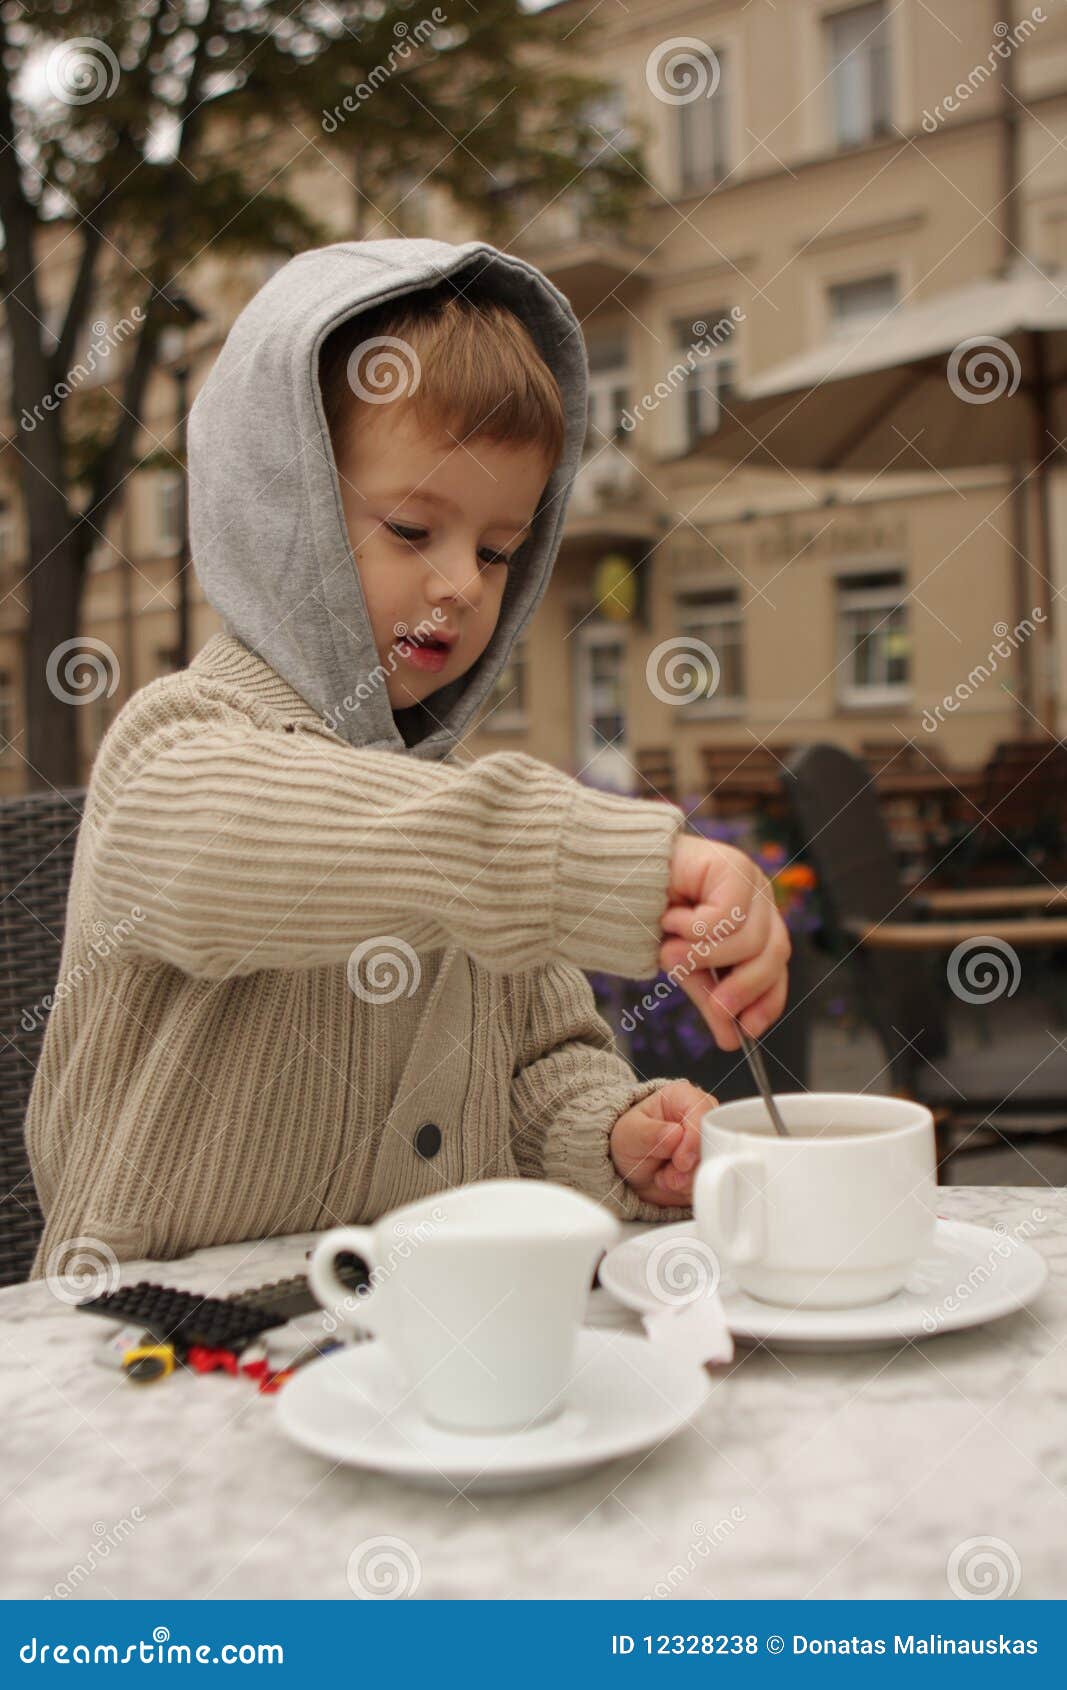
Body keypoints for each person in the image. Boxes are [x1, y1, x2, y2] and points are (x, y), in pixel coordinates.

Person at [24, 238, 790, 1281]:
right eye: (412, 528)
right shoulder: (175, 746)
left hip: (415, 1336)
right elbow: (268, 845)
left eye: (496, 550)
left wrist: (614, 1136)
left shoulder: (463, 803)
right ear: (283, 514)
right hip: (149, 1333)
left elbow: (540, 1067)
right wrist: (598, 861)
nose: (463, 585)